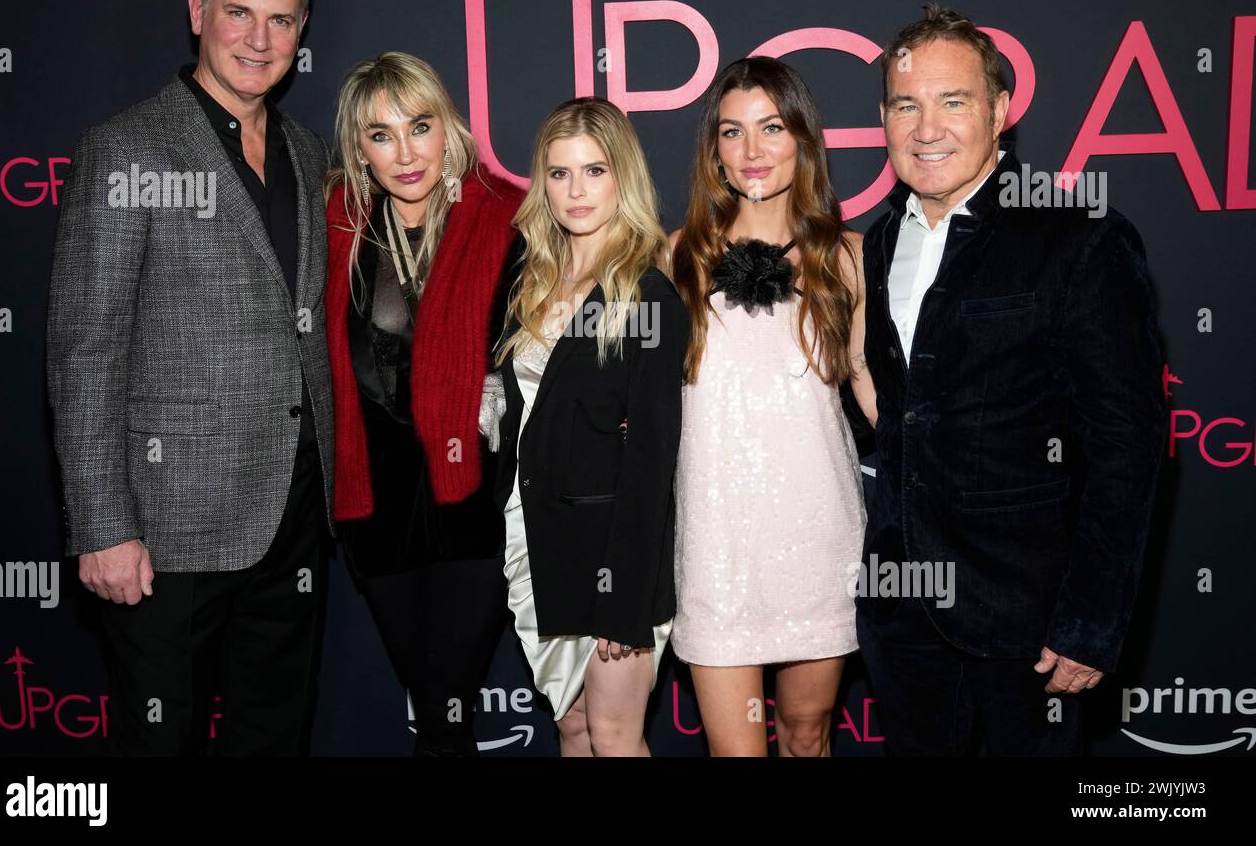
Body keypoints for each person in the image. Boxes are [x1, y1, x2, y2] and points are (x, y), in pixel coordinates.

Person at [46, 0, 334, 755]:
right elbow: (84, 349)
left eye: (280, 20)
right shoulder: (127, 148)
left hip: (294, 518)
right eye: (238, 12)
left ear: (301, 27)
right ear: (196, 10)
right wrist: (102, 523)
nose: (258, 38)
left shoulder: (309, 153)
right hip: (167, 532)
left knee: (274, 738)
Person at [857, 4, 1166, 755]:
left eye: (953, 101)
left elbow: (1128, 446)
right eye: (907, 105)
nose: (927, 127)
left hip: (1028, 628)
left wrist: (1090, 622)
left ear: (1000, 112)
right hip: (905, 627)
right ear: (885, 120)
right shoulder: (876, 243)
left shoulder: (1078, 235)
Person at [668, 57, 875, 757]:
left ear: (803, 140)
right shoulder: (676, 259)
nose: (752, 150)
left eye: (772, 127)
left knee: (808, 734)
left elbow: (875, 393)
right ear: (715, 151)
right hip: (717, 548)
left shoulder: (848, 258)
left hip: (819, 540)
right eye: (733, 132)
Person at [324, 52, 524, 756]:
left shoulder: (506, 217)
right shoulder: (336, 226)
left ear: (449, 128)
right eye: (381, 135)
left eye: (420, 126)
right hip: (374, 506)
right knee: (441, 720)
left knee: (442, 719)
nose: (405, 153)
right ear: (359, 147)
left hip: (471, 504)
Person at [493, 97, 689, 756]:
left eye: (595, 171)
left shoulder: (646, 293)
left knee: (613, 735)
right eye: (559, 173)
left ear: (623, 177)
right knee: (572, 727)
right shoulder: (532, 279)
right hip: (537, 539)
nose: (575, 191)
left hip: (613, 552)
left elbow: (654, 457)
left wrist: (627, 596)